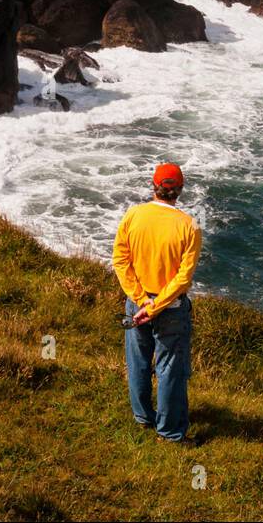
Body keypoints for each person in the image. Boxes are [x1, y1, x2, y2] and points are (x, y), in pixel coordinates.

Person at [111, 162, 202, 443]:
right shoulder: (190, 225)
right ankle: (170, 431)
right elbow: (183, 279)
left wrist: (141, 301)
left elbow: (120, 260)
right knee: (169, 368)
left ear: (154, 186)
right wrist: (156, 305)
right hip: (170, 308)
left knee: (138, 361)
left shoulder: (133, 214)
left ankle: (143, 417)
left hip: (136, 304)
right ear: (180, 190)